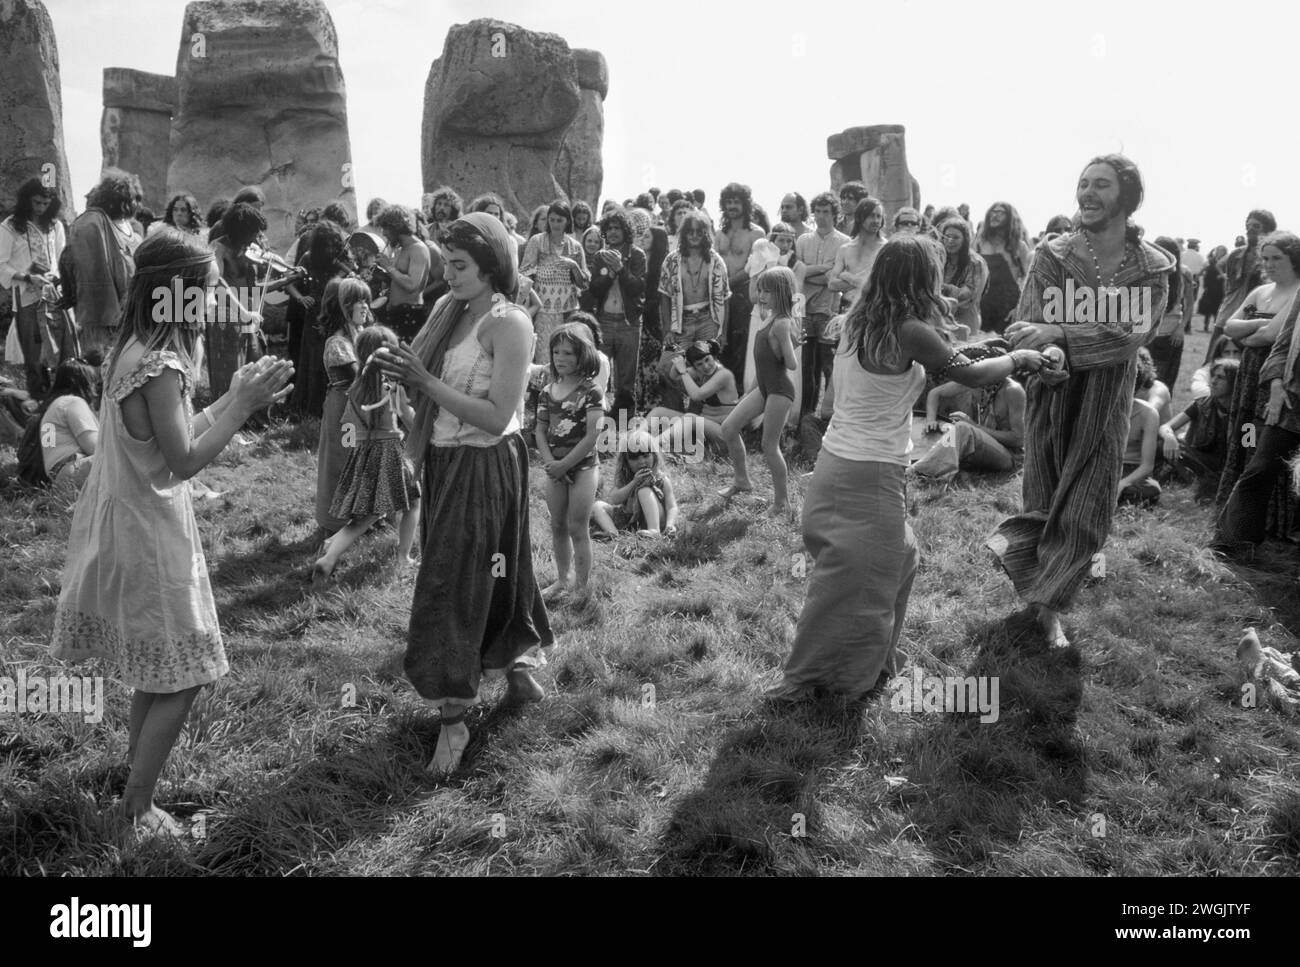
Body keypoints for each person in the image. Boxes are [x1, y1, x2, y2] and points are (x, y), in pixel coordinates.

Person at [49, 230, 294, 835]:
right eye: (206, 290)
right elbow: (183, 461)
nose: (211, 301)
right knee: (188, 675)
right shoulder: (161, 366)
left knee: (157, 671)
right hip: (151, 539)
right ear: (176, 291)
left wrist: (231, 398)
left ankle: (136, 791)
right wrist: (242, 408)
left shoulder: (133, 349)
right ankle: (137, 807)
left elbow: (168, 440)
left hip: (133, 526)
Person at [769, 235, 1050, 702]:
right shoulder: (909, 331)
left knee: (901, 558)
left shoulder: (858, 320)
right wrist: (1019, 358)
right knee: (859, 587)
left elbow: (953, 354)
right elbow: (970, 373)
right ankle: (817, 681)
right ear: (922, 279)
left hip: (834, 466)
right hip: (870, 474)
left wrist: (993, 344)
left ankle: (868, 661)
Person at [370, 212, 552, 776]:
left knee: (451, 585)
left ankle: (453, 719)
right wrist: (403, 376)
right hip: (447, 460)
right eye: (446, 263)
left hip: (486, 463)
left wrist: (425, 382)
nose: (446, 275)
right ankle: (516, 668)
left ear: (491, 267)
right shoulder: (451, 311)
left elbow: (497, 417)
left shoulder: (510, 324)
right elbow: (436, 394)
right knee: (490, 571)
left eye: (459, 265)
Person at [990, 154, 1173, 649]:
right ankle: (1037, 587)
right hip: (1054, 392)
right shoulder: (1053, 254)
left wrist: (1060, 331)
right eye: (1084, 183)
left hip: (1108, 400)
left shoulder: (1152, 267)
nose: (1088, 193)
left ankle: (1049, 608)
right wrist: (1049, 353)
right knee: (1044, 496)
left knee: (1088, 508)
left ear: (1127, 196)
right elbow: (1028, 325)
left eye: (1102, 185)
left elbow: (1130, 335)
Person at [313, 325, 420, 581]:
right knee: (413, 502)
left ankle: (330, 553)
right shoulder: (391, 387)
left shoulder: (355, 388)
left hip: (363, 455)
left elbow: (349, 424)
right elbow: (409, 419)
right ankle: (403, 557)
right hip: (390, 453)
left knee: (367, 514)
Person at [1214, 233, 1300, 551]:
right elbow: (1228, 327)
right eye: (1265, 258)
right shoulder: (1261, 291)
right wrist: (1255, 329)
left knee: (1267, 449)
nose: (1269, 264)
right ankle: (1236, 522)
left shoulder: (1295, 291)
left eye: (1277, 258)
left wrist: (1248, 330)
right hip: (1254, 378)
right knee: (1246, 433)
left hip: (1279, 380)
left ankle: (1273, 521)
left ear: (1293, 259)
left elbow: (1270, 336)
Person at [718, 267, 800, 514]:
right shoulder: (770, 318)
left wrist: (791, 344)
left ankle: (782, 502)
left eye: (768, 291)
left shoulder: (782, 323)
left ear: (782, 293)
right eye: (761, 290)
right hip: (764, 387)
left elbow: (791, 364)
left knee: (769, 445)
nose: (761, 295)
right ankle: (742, 481)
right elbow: (763, 364)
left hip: (779, 391)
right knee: (728, 428)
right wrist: (749, 392)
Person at [535, 324, 605, 600]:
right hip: (555, 469)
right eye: (556, 352)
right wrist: (552, 463)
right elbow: (540, 431)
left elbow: (593, 434)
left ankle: (582, 588)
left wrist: (565, 464)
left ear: (582, 356)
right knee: (557, 525)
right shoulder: (546, 391)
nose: (560, 358)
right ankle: (563, 580)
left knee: (577, 527)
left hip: (584, 468)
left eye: (568, 353)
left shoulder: (592, 391)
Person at [314, 277, 371, 538]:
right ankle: (339, 521)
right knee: (343, 461)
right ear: (343, 306)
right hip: (345, 411)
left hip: (360, 407)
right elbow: (360, 377)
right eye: (359, 301)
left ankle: (363, 516)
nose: (365, 306)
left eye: (366, 300)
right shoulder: (338, 343)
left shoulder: (359, 334)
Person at [1, 177, 67, 396]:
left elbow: (61, 259)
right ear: (27, 199)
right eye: (36, 202)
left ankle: (60, 398)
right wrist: (28, 277)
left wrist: (57, 277)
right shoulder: (11, 226)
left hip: (54, 296)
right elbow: (1, 264)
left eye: (45, 203)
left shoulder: (55, 226)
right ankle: (37, 402)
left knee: (60, 352)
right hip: (26, 297)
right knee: (34, 356)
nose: (40, 208)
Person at [65, 171, 142, 356]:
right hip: (100, 309)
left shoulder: (129, 227)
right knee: (98, 360)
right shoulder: (92, 223)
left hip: (128, 308)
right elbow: (75, 261)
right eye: (133, 199)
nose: (137, 204)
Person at [914, 353, 1026, 480]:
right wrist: (930, 420)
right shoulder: (976, 381)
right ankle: (929, 464)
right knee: (947, 430)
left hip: (1010, 456)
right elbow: (935, 393)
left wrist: (974, 426)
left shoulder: (1013, 390)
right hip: (985, 444)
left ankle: (920, 471)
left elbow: (1019, 439)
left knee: (962, 429)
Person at [587, 207, 647, 420]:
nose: (613, 232)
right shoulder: (600, 256)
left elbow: (638, 287)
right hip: (603, 321)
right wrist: (611, 274)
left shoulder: (637, 255)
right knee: (598, 373)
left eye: (617, 228)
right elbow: (594, 289)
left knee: (626, 379)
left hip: (628, 323)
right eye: (609, 228)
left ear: (626, 230)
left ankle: (624, 421)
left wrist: (621, 268)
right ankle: (597, 418)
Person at [290, 219, 355, 417]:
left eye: (332, 244)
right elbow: (289, 282)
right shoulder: (309, 258)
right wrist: (300, 298)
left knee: (338, 357)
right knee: (314, 360)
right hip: (315, 314)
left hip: (338, 313)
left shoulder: (344, 258)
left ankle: (337, 404)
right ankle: (311, 406)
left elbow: (353, 278)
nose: (329, 248)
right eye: (325, 244)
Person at [795, 192, 848, 416]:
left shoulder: (844, 243)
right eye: (817, 211)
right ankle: (805, 415)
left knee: (829, 366)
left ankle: (829, 416)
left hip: (828, 310)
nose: (821, 216)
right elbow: (797, 273)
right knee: (806, 366)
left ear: (835, 214)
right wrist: (823, 270)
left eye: (826, 211)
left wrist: (808, 272)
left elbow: (834, 278)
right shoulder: (803, 240)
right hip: (804, 310)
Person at [207, 203, 267, 398]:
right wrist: (244, 311)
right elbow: (218, 283)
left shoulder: (250, 249)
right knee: (228, 369)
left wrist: (286, 280)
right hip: (225, 316)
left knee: (253, 364)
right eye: (254, 233)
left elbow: (254, 287)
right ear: (241, 231)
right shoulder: (218, 248)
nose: (257, 238)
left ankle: (249, 409)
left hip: (247, 316)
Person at [520, 200, 590, 363]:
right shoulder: (537, 241)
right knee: (544, 357)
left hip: (568, 310)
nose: (555, 224)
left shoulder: (575, 246)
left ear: (567, 221)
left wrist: (574, 266)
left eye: (560, 220)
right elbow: (524, 274)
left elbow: (584, 284)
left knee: (567, 356)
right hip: (543, 311)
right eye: (552, 219)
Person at [1161, 357, 1237, 500]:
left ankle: (1203, 482)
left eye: (1220, 378)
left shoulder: (1246, 416)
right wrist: (1169, 436)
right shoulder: (1202, 403)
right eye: (1213, 376)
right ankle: (1195, 480)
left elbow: (1250, 447)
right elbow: (1166, 426)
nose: (1213, 381)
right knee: (1161, 442)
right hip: (1199, 459)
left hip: (1227, 468)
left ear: (1234, 383)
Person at [648, 338, 738, 456]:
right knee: (658, 412)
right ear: (695, 366)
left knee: (689, 418)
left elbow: (696, 395)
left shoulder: (723, 375)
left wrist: (684, 372)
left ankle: (650, 446)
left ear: (713, 356)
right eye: (699, 364)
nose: (706, 366)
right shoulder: (702, 372)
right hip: (707, 429)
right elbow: (674, 376)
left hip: (726, 436)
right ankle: (635, 436)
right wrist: (682, 361)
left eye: (707, 359)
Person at [1208, 210, 1276, 362]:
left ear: (1268, 230)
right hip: (1228, 315)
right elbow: (1228, 287)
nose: (1250, 229)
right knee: (1214, 362)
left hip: (1255, 320)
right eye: (1248, 225)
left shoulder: (1272, 258)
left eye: (1256, 226)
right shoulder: (1235, 255)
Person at [717, 183, 765, 386]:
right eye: (728, 202)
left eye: (736, 201)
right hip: (720, 295)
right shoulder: (719, 233)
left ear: (745, 204)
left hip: (744, 295)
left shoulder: (756, 234)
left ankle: (738, 392)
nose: (732, 206)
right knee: (720, 344)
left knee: (741, 347)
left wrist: (727, 283)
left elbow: (753, 268)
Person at [591, 428, 679, 537]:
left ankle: (654, 530)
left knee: (643, 490)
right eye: (634, 458)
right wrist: (633, 483)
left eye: (646, 456)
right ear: (626, 461)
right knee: (598, 506)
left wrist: (670, 525)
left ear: (654, 456)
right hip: (630, 519)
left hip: (655, 518)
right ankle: (612, 533)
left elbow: (672, 506)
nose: (641, 462)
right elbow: (613, 499)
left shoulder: (661, 479)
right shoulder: (626, 477)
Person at [38, 357, 100, 494]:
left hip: (58, 476)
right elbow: (94, 447)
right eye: (93, 382)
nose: (95, 387)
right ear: (84, 383)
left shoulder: (54, 405)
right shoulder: (73, 402)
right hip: (72, 470)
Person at [372, 205, 430, 343]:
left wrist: (388, 267)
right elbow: (397, 279)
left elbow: (412, 285)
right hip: (396, 314)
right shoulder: (400, 248)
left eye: (385, 228)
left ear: (396, 227)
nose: (383, 233)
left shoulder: (418, 249)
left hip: (410, 315)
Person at [975, 201, 1032, 334]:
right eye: (993, 212)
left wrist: (1019, 308)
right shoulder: (979, 243)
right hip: (982, 307)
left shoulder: (1019, 246)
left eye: (1000, 212)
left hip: (1007, 309)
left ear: (1010, 218)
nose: (995, 215)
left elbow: (1029, 281)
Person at [1147, 236, 1195, 389]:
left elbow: (1189, 305)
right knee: (1142, 382)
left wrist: (1181, 328)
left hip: (1170, 336)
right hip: (1146, 335)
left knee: (1163, 384)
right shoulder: (1148, 270)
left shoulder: (1184, 273)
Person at [829, 198, 887, 310]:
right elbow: (831, 284)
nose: (876, 220)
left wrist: (847, 276)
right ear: (860, 217)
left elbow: (882, 286)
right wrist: (864, 282)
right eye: (871, 215)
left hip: (873, 309)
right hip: (847, 307)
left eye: (879, 216)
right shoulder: (845, 248)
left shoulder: (885, 249)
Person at [937, 217, 988, 334]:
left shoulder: (975, 262)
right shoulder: (939, 258)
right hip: (940, 318)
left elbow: (968, 295)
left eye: (956, 237)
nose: (950, 240)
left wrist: (943, 288)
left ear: (965, 240)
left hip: (964, 320)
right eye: (947, 236)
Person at [1119, 393, 1162, 506]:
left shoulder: (1148, 413)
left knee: (1152, 489)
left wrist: (1123, 483)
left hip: (1132, 469)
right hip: (1104, 465)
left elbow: (1147, 466)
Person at [1197, 247, 1226, 332]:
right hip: (1210, 288)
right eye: (1218, 251)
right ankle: (1206, 326)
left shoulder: (1224, 262)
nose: (1219, 253)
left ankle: (1216, 327)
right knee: (1208, 309)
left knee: (1217, 309)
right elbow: (1203, 271)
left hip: (1219, 289)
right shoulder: (1212, 261)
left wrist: (1221, 276)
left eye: (1221, 251)